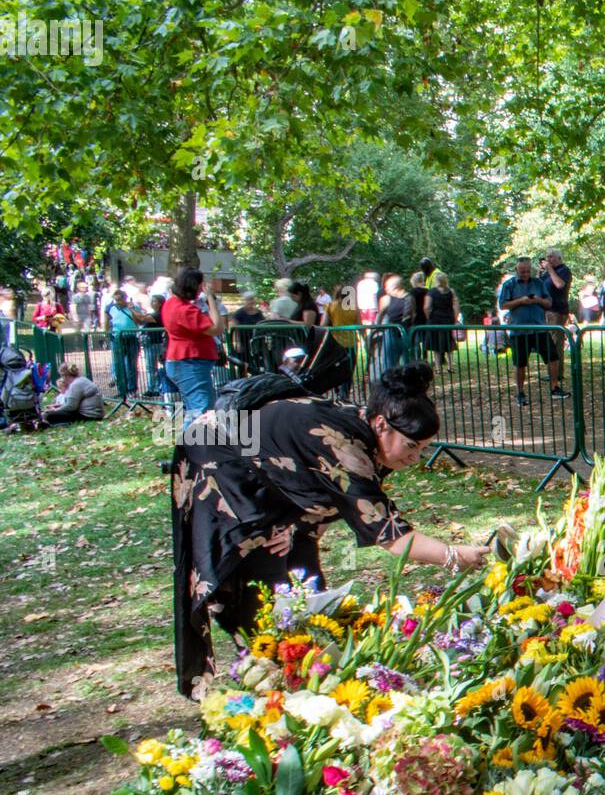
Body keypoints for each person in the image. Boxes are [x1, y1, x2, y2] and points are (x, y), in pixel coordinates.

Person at [170, 362, 489, 697]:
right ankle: (267, 682)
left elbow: (322, 490)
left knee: (306, 580)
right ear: (381, 424)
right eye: (412, 446)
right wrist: (455, 556)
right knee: (260, 583)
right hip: (220, 461)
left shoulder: (371, 437)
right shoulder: (347, 448)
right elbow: (392, 537)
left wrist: (294, 526)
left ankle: (306, 674)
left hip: (265, 469)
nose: (416, 458)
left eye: (423, 448)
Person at [163, 265, 224, 428]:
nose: (201, 289)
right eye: (200, 285)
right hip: (189, 364)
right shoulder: (184, 310)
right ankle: (192, 443)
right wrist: (211, 299)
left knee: (195, 410)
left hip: (185, 362)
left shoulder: (171, 303)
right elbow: (217, 328)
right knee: (202, 410)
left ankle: (189, 443)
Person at [498, 256, 559, 407]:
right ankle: (520, 393)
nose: (525, 274)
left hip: (540, 328)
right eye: (522, 271)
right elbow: (503, 305)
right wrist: (520, 301)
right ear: (516, 270)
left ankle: (555, 388)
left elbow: (549, 303)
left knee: (553, 357)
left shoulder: (538, 283)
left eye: (527, 271)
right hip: (519, 330)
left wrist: (538, 300)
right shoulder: (509, 284)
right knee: (520, 363)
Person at [539, 247, 572, 398]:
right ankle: (552, 372)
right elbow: (539, 286)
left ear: (558, 258)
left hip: (557, 311)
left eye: (551, 256)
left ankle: (557, 373)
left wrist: (550, 270)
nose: (548, 259)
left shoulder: (564, 270)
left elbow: (559, 285)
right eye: (547, 257)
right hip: (546, 311)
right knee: (549, 343)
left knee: (556, 342)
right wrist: (540, 273)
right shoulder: (547, 272)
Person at [103, 288, 144, 398]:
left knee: (131, 364)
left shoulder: (133, 307)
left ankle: (132, 389)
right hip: (117, 339)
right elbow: (106, 322)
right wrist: (106, 335)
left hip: (131, 337)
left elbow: (140, 320)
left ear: (125, 299)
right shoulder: (111, 308)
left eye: (120, 300)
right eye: (116, 300)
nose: (118, 302)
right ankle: (122, 389)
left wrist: (132, 310)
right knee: (118, 364)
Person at [326, 282, 361, 400]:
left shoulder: (330, 306)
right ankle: (344, 394)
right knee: (349, 369)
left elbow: (323, 324)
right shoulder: (354, 308)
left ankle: (336, 391)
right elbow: (360, 326)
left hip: (335, 342)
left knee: (336, 368)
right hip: (351, 343)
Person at [424, 271, 459, 372]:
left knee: (436, 344)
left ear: (436, 280)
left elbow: (426, 307)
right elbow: (456, 306)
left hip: (435, 320)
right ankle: (450, 366)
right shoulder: (451, 291)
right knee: (449, 343)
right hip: (448, 320)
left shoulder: (431, 292)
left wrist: (428, 317)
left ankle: (438, 368)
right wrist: (455, 318)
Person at [377, 275, 411, 371]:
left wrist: (378, 328)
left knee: (389, 363)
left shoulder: (387, 299)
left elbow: (380, 316)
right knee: (406, 363)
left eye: (387, 286)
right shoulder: (410, 298)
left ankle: (389, 378)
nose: (385, 289)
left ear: (394, 287)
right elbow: (411, 315)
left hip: (393, 333)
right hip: (405, 332)